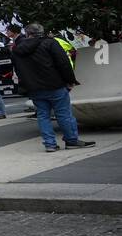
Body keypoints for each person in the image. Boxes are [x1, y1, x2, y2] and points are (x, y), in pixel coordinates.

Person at [11, 22, 96, 153]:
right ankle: (71, 140)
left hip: (34, 88)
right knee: (64, 114)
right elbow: (63, 63)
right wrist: (70, 80)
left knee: (43, 115)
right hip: (54, 85)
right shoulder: (50, 43)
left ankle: (50, 144)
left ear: (27, 34)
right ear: (42, 32)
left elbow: (19, 70)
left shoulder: (18, 49)